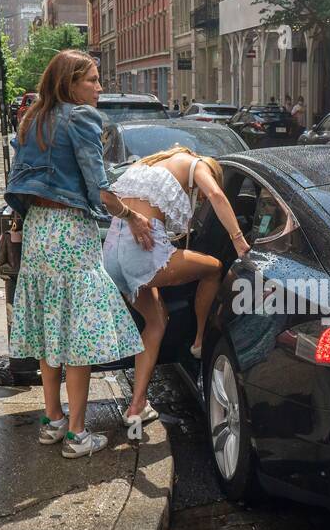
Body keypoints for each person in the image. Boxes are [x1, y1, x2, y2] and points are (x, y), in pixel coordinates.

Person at [5, 49, 153, 458]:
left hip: (38, 229)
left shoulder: (33, 117)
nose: (99, 87)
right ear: (70, 84)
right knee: (77, 335)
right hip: (70, 230)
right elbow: (100, 186)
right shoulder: (81, 117)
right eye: (92, 80)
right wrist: (132, 217)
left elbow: (21, 180)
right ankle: (76, 435)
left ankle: (52, 421)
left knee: (51, 327)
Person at [102, 147, 250, 422]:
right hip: (142, 254)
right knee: (214, 268)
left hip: (111, 254)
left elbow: (112, 201)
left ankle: (137, 407)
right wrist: (238, 240)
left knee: (156, 320)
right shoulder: (195, 164)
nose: (203, 197)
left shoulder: (146, 164)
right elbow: (218, 195)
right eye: (201, 195)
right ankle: (199, 340)